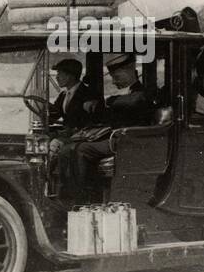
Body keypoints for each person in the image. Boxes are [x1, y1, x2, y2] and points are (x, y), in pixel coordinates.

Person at [63, 51, 153, 197]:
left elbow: (132, 101)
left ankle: (83, 196)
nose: (113, 82)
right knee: (74, 146)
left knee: (82, 149)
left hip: (129, 141)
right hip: (120, 138)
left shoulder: (139, 93)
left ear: (128, 70)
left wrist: (105, 102)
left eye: (116, 77)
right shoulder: (128, 94)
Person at [47, 58, 95, 131]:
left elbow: (90, 122)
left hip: (83, 138)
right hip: (68, 135)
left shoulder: (88, 94)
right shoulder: (63, 95)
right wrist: (43, 110)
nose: (57, 77)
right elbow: (54, 113)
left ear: (71, 75)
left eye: (60, 73)